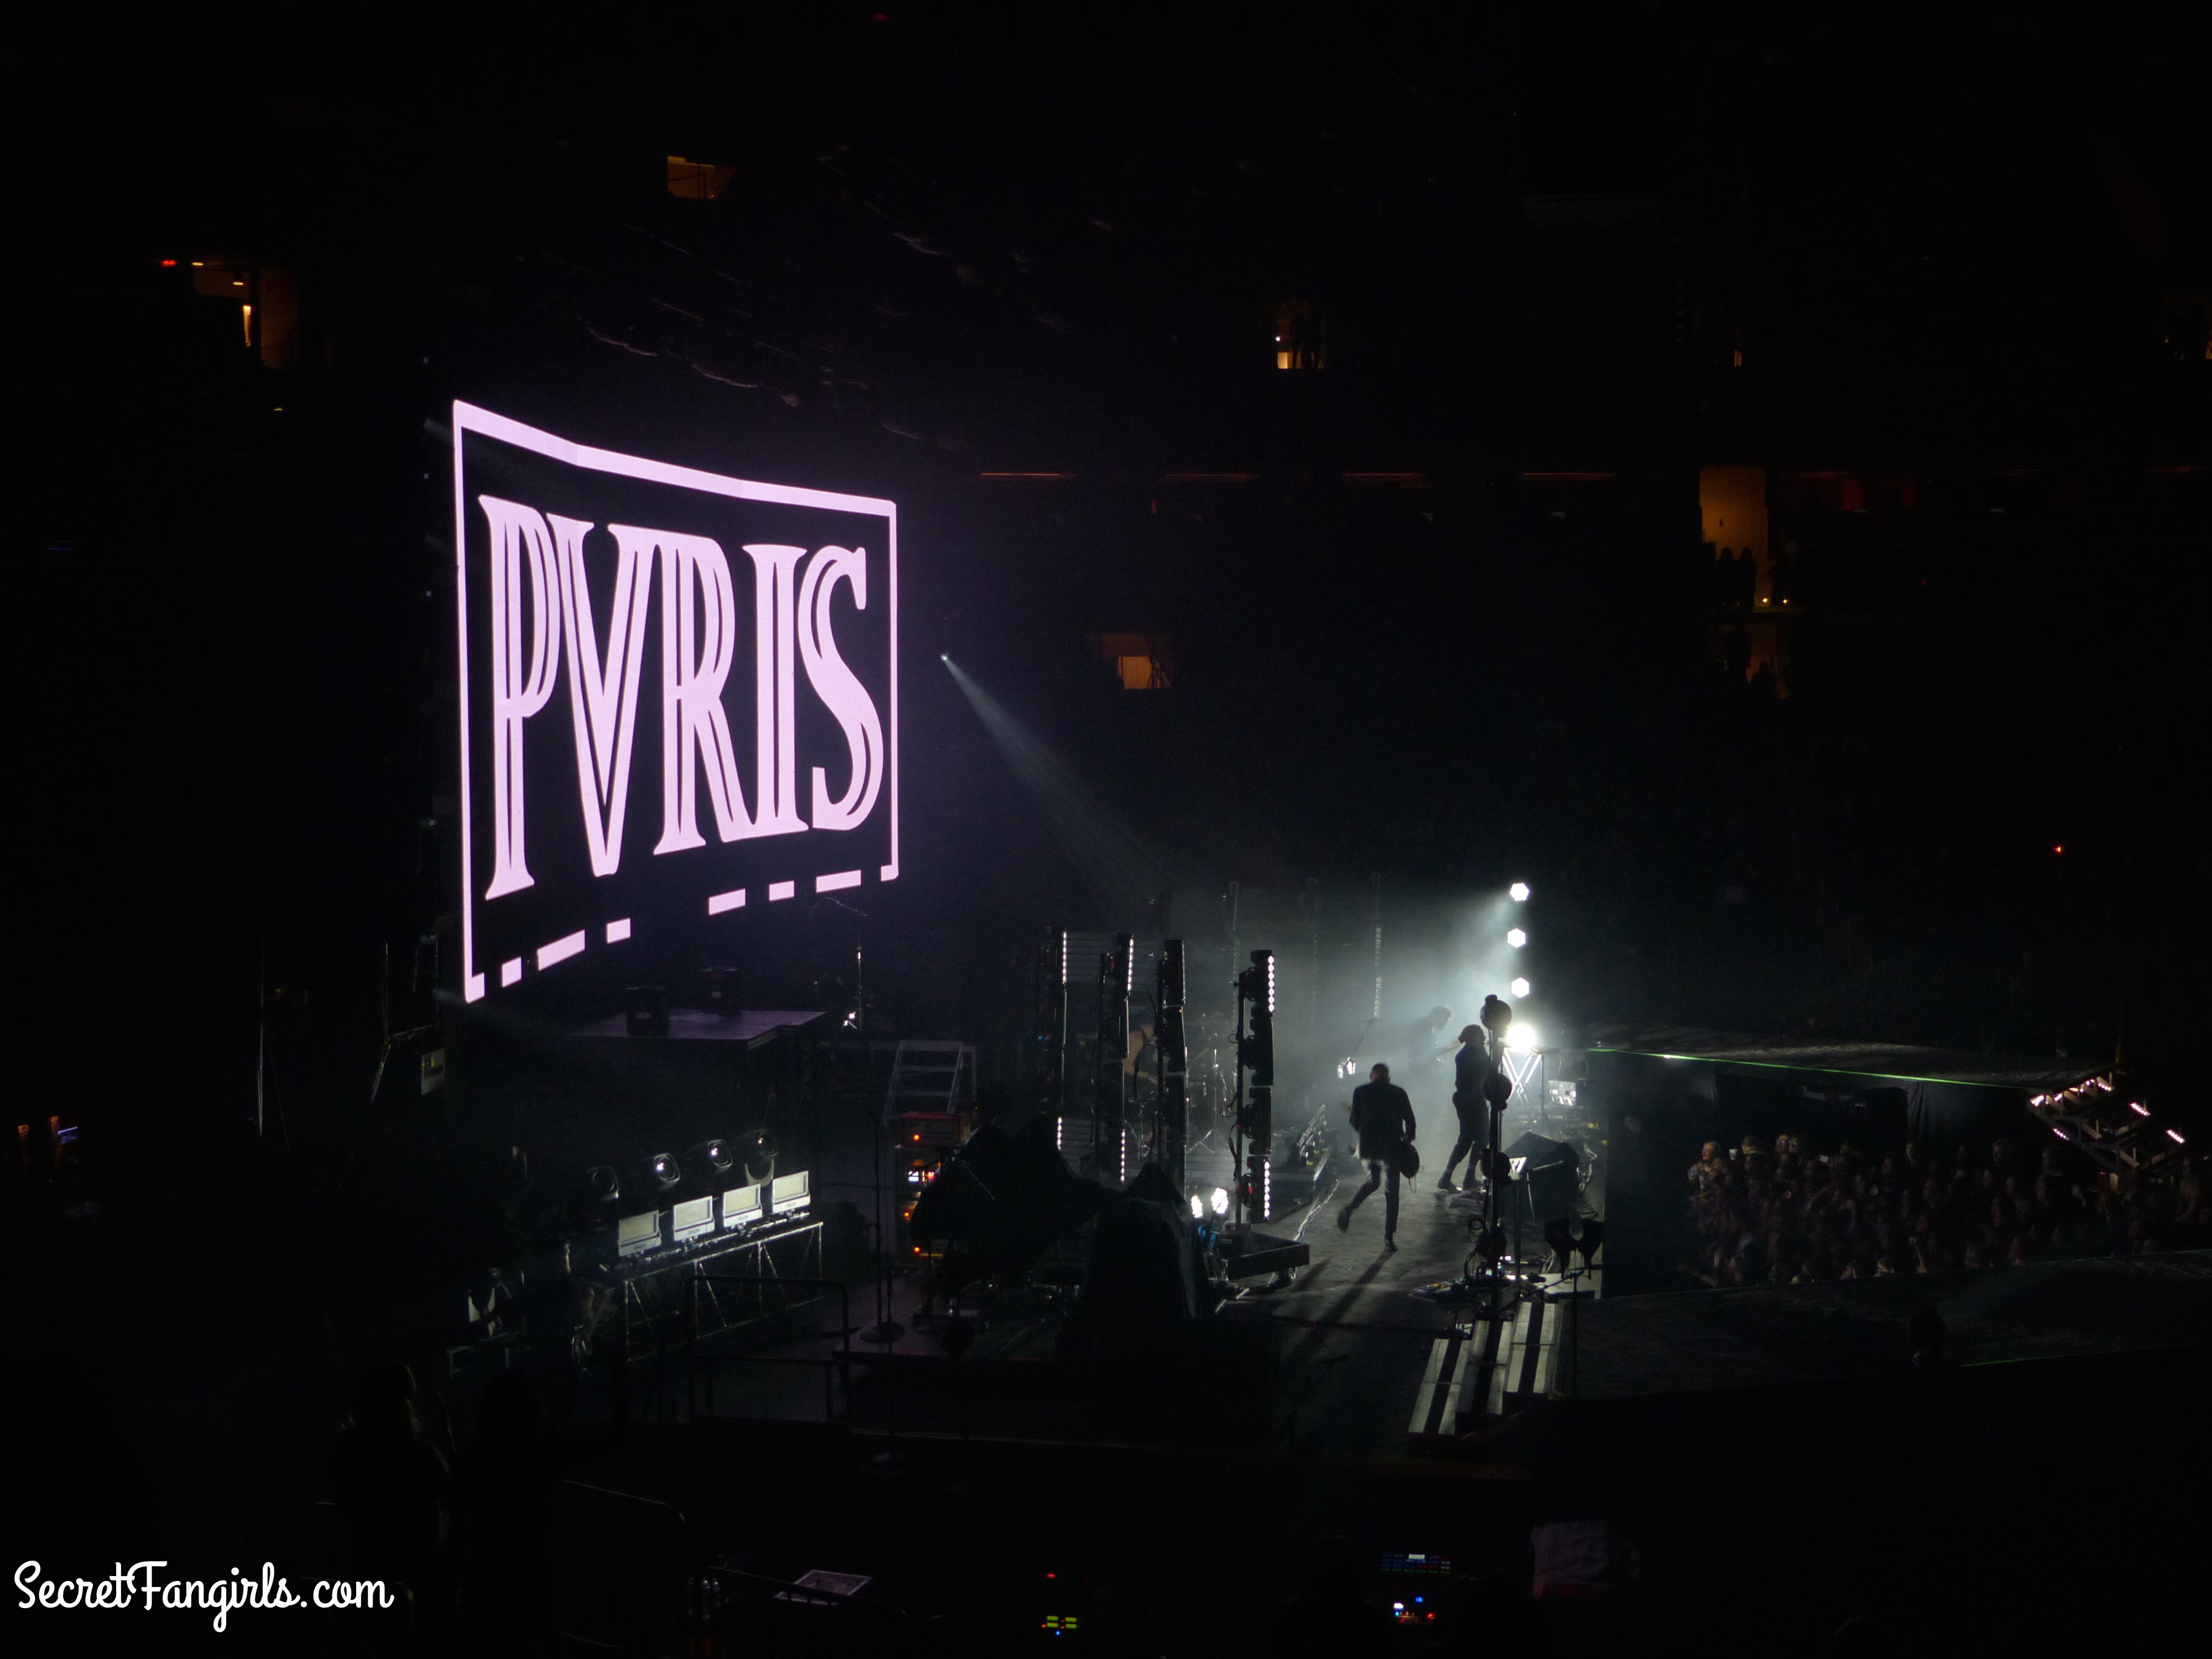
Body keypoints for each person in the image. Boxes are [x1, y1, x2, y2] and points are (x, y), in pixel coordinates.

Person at [1339, 1063, 1416, 1250]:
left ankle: (1350, 1208)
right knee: (1392, 1194)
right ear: (1389, 1077)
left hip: (1369, 1148)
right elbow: (1411, 1121)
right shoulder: (1399, 1093)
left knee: (1373, 1182)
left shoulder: (1360, 1092)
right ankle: (1389, 1237)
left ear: (1371, 1076)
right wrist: (1407, 1138)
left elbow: (1354, 1121)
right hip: (1392, 1148)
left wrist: (1366, 1134)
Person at [1438, 1024, 1491, 1191]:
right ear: (1473, 1038)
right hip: (1470, 1100)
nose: (1484, 1038)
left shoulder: (1473, 1052)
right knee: (1469, 1139)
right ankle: (1452, 1177)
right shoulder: (1467, 1056)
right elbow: (1490, 1069)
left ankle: (1464, 1176)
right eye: (1481, 1035)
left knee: (1477, 1138)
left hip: (1470, 1099)